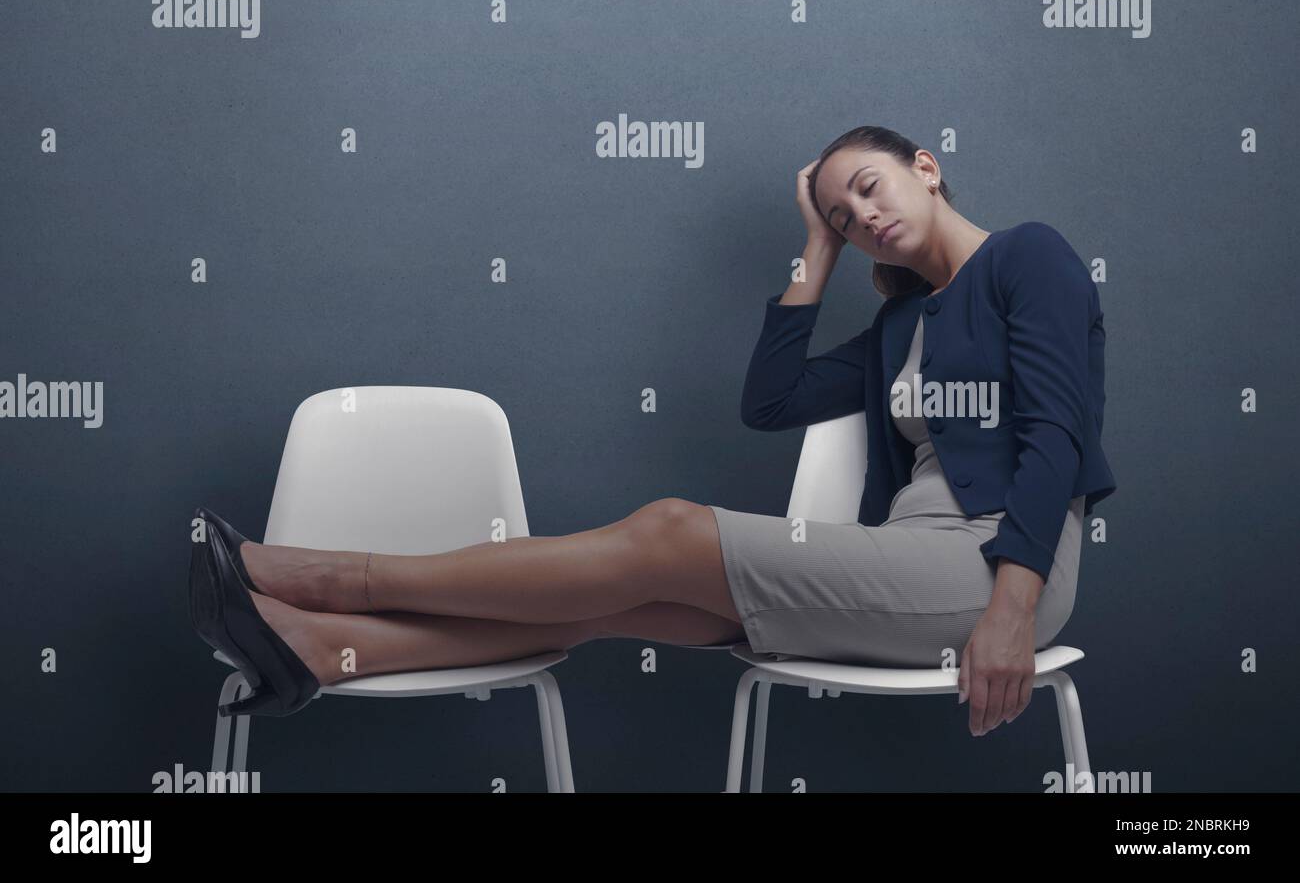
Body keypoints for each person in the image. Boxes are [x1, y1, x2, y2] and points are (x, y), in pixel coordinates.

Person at [190, 124, 1116, 738]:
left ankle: (329, 574)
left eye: (870, 190)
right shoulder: (901, 327)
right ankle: (320, 650)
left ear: (928, 165)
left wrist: (1010, 609)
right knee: (602, 608)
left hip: (996, 565)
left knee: (665, 530)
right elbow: (772, 399)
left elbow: (1057, 437)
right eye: (843, 213)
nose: (864, 217)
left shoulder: (1025, 258)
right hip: (904, 557)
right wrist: (820, 250)